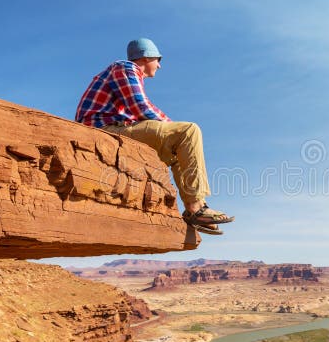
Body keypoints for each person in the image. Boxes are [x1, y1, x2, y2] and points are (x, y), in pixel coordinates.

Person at [75, 38, 233, 235]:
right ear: (146, 57)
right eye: (158, 59)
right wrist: (172, 127)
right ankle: (197, 208)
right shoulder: (126, 67)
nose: (159, 65)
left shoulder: (126, 73)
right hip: (103, 131)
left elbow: (137, 110)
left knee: (178, 151)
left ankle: (195, 209)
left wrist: (170, 130)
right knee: (189, 131)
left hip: (110, 129)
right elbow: (140, 107)